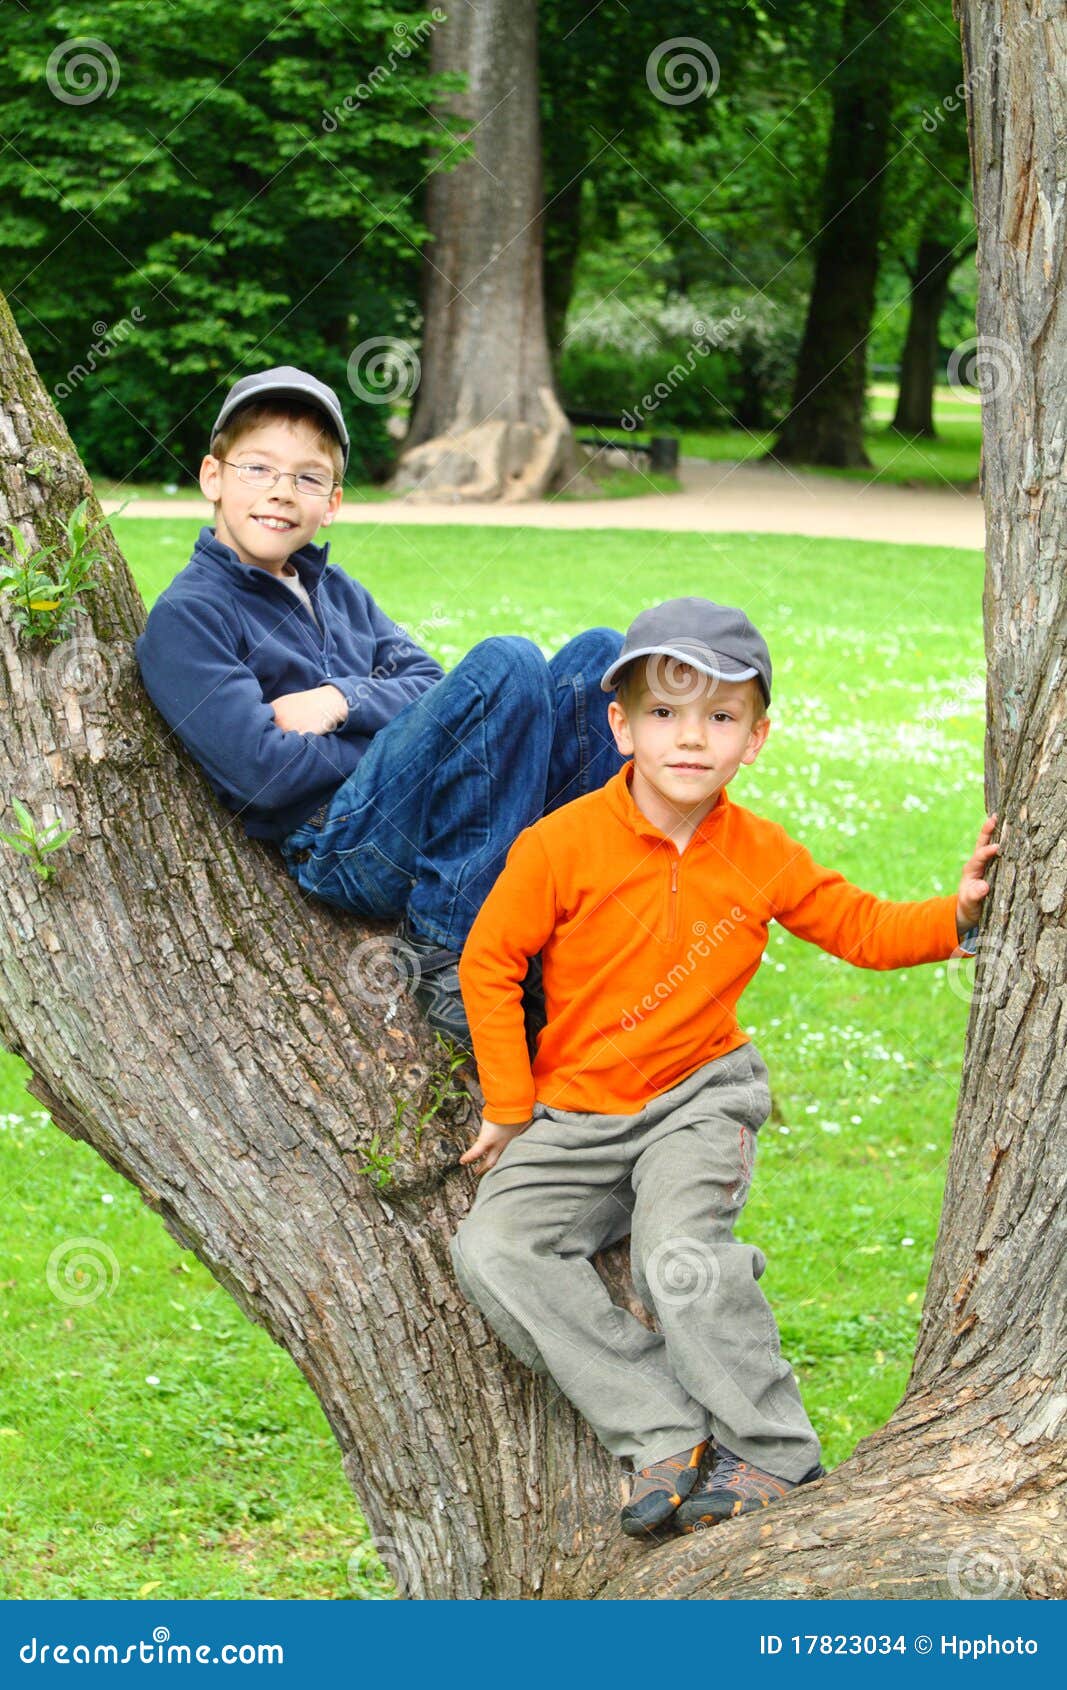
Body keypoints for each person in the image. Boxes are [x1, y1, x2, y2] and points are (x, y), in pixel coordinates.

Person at [451, 597, 997, 1537]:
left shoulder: (759, 854)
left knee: (680, 1255)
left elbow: (859, 928)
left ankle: (774, 1449)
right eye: (663, 712)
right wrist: (508, 1103)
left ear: (755, 738)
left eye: (719, 716)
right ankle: (658, 1426)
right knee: (494, 1248)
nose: (690, 738)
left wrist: (954, 915)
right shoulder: (559, 847)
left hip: (695, 1101)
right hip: (575, 1114)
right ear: (619, 726)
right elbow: (488, 962)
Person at [136, 367, 624, 1041]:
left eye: (307, 477)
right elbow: (262, 773)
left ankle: (568, 931)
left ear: (331, 502)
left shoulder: (336, 589)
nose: (281, 492)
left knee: (601, 658)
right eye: (258, 468)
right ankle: (445, 948)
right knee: (507, 662)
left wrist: (341, 699)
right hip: (341, 840)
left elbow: (426, 678)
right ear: (212, 477)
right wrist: (403, 737)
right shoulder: (190, 617)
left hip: (411, 803)